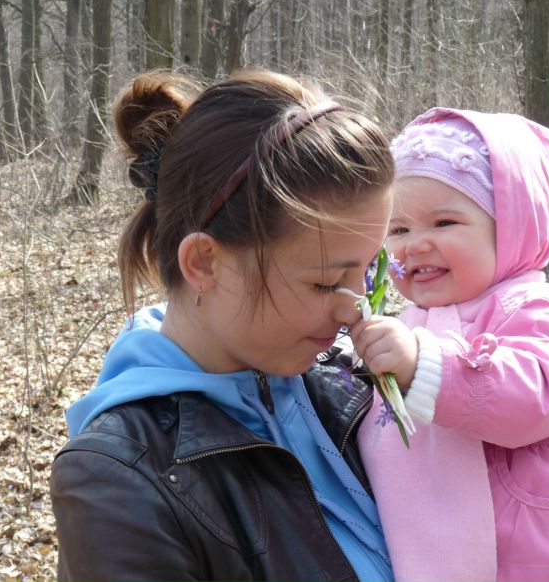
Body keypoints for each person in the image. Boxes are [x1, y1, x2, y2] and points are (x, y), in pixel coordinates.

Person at [49, 69, 398, 581]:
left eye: (368, 271)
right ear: (205, 263)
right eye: (326, 283)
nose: (355, 310)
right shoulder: (121, 480)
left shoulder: (348, 382)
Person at [351, 108, 549, 582]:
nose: (415, 245)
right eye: (399, 229)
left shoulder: (535, 309)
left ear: (512, 229)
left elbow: (537, 396)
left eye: (444, 222)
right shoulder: (409, 322)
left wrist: (426, 366)